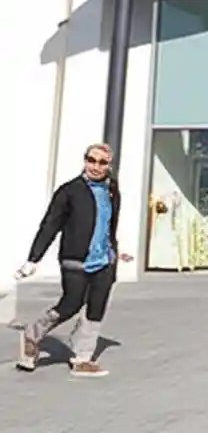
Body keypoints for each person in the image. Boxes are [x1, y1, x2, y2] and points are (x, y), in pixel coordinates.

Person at [14, 143, 134, 378]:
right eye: (91, 160)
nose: (96, 166)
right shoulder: (69, 191)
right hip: (75, 259)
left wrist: (115, 250)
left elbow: (108, 226)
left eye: (102, 162)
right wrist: (33, 259)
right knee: (71, 304)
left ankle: (82, 358)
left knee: (97, 307)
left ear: (109, 165)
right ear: (85, 160)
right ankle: (32, 334)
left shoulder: (112, 191)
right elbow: (50, 225)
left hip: (105, 261)